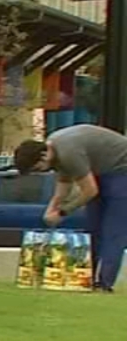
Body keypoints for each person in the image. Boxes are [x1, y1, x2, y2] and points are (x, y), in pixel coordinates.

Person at [13, 124, 127, 293]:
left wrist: (62, 212)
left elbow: (90, 190)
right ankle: (87, 279)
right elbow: (63, 185)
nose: (40, 172)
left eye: (37, 168)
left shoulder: (68, 153)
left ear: (43, 156)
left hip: (121, 169)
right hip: (100, 171)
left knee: (113, 232)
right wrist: (50, 209)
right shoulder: (55, 154)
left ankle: (104, 284)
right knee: (92, 230)